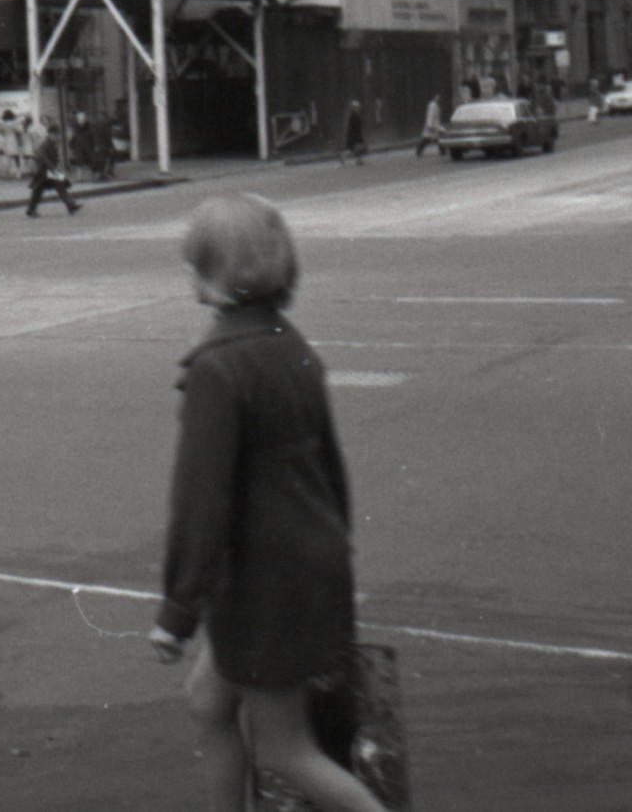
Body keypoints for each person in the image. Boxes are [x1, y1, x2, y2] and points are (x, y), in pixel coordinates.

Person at [150, 195, 389, 812]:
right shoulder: (291, 345)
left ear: (215, 273)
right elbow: (330, 469)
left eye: (193, 261)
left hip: (264, 586)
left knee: (287, 748)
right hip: (309, 566)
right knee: (209, 701)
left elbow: (199, 503)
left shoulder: (217, 369)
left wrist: (177, 611)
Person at [25, 127, 82, 218]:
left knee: (60, 187)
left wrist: (55, 167)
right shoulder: (45, 144)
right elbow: (41, 155)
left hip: (51, 170)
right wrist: (51, 166)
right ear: (50, 134)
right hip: (44, 171)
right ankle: (31, 209)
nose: (57, 136)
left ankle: (71, 205)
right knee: (38, 191)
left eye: (57, 134)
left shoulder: (52, 143)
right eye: (55, 134)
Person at [414, 94, 444, 158]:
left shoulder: (435, 105)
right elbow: (430, 115)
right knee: (427, 139)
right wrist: (430, 125)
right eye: (437, 96)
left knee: (437, 139)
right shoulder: (432, 105)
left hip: (434, 125)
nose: (438, 98)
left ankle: (442, 151)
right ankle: (419, 150)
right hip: (432, 125)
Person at [338, 101, 366, 166]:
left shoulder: (354, 115)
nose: (358, 108)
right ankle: (343, 156)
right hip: (355, 135)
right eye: (356, 107)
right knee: (353, 149)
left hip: (354, 135)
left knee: (356, 148)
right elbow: (356, 126)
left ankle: (358, 160)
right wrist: (358, 135)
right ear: (354, 107)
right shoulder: (355, 116)